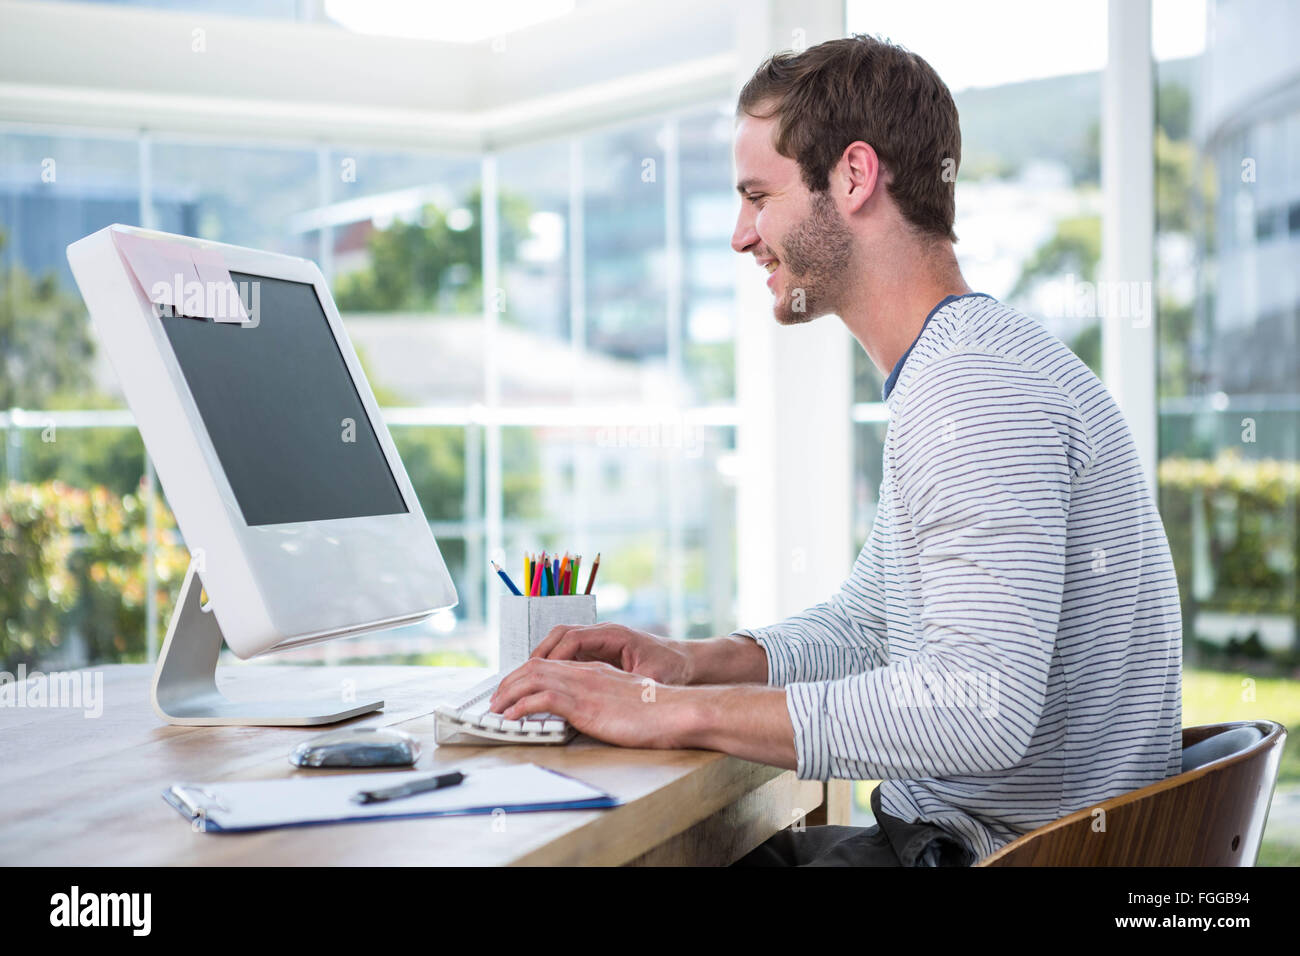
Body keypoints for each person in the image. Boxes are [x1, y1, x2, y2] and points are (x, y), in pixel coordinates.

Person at [489, 33, 1183, 866]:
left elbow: (976, 707)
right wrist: (693, 665)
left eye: (757, 195)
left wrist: (662, 711)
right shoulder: (959, 365)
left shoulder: (976, 387)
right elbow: (873, 630)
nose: (742, 235)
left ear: (853, 177)